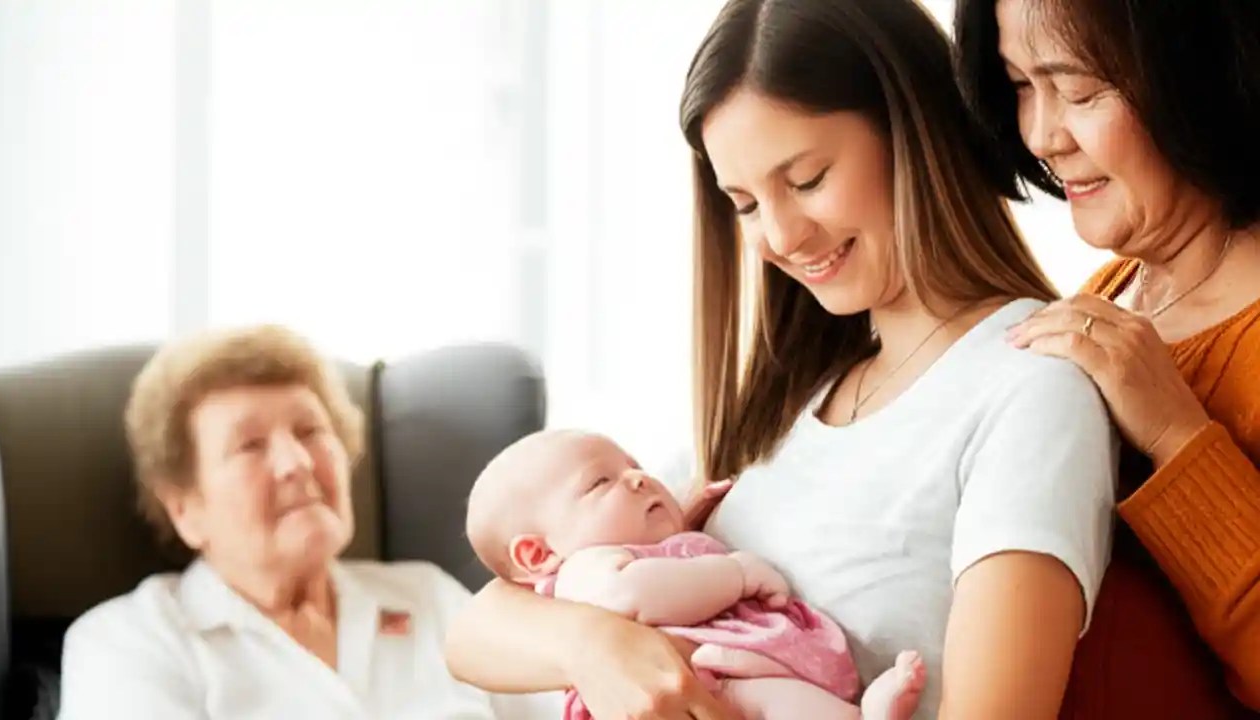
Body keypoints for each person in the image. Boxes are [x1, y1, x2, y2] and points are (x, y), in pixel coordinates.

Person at [445, 0, 1119, 717]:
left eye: (805, 180)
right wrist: (592, 646)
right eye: (745, 203)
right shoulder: (793, 400)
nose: (780, 235)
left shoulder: (1031, 384)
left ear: (914, 134)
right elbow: (475, 630)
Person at [953, 0, 1260, 716]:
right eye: (1022, 85)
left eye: (1081, 91)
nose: (1041, 135)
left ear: (1199, 74)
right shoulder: (1114, 292)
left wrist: (1177, 440)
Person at [56, 325, 559, 719]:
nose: (296, 462)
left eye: (311, 430)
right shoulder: (130, 641)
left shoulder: (430, 597)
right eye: (250, 445)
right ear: (185, 509)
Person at [466, 428, 927, 720]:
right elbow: (632, 595)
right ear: (537, 553)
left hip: (726, 680)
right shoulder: (584, 570)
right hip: (691, 689)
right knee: (764, 701)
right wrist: (736, 574)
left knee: (779, 702)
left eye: (635, 466)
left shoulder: (659, 540)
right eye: (600, 482)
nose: (638, 479)